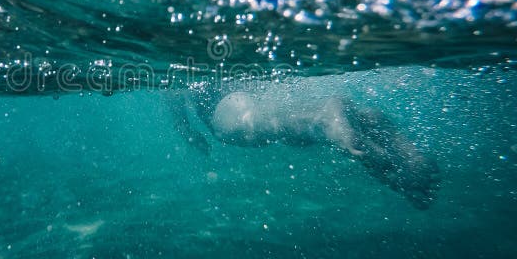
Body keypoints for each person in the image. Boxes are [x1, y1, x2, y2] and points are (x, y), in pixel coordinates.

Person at [170, 78, 440, 209]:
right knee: (284, 119)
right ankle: (410, 161)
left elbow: (174, 100)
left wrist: (190, 135)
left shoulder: (179, 45)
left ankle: (327, 119)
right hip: (250, 86)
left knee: (243, 127)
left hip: (225, 103)